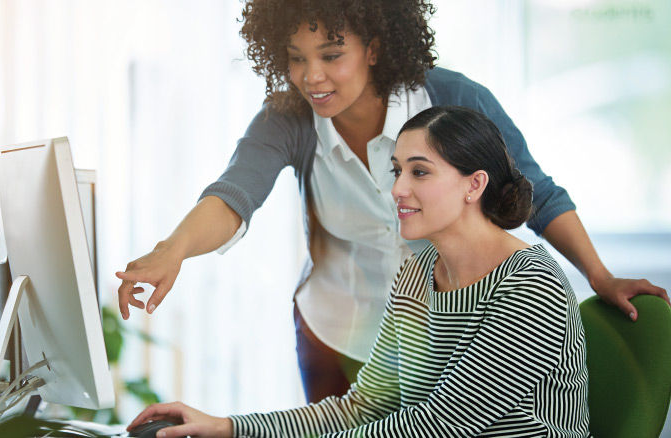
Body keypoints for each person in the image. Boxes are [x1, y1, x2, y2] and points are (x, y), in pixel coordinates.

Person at [115, 0, 668, 403]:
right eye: (295, 57)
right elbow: (235, 194)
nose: (312, 77)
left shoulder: (451, 99)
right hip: (336, 331)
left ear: (375, 46)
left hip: (451, 331)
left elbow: (537, 192)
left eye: (332, 55)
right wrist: (173, 251)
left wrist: (598, 275)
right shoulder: (287, 118)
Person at [126, 106, 592, 438]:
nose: (398, 190)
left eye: (420, 172)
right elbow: (363, 408)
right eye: (396, 171)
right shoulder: (417, 273)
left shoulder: (530, 282)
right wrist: (227, 427)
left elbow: (441, 426)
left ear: (475, 184)